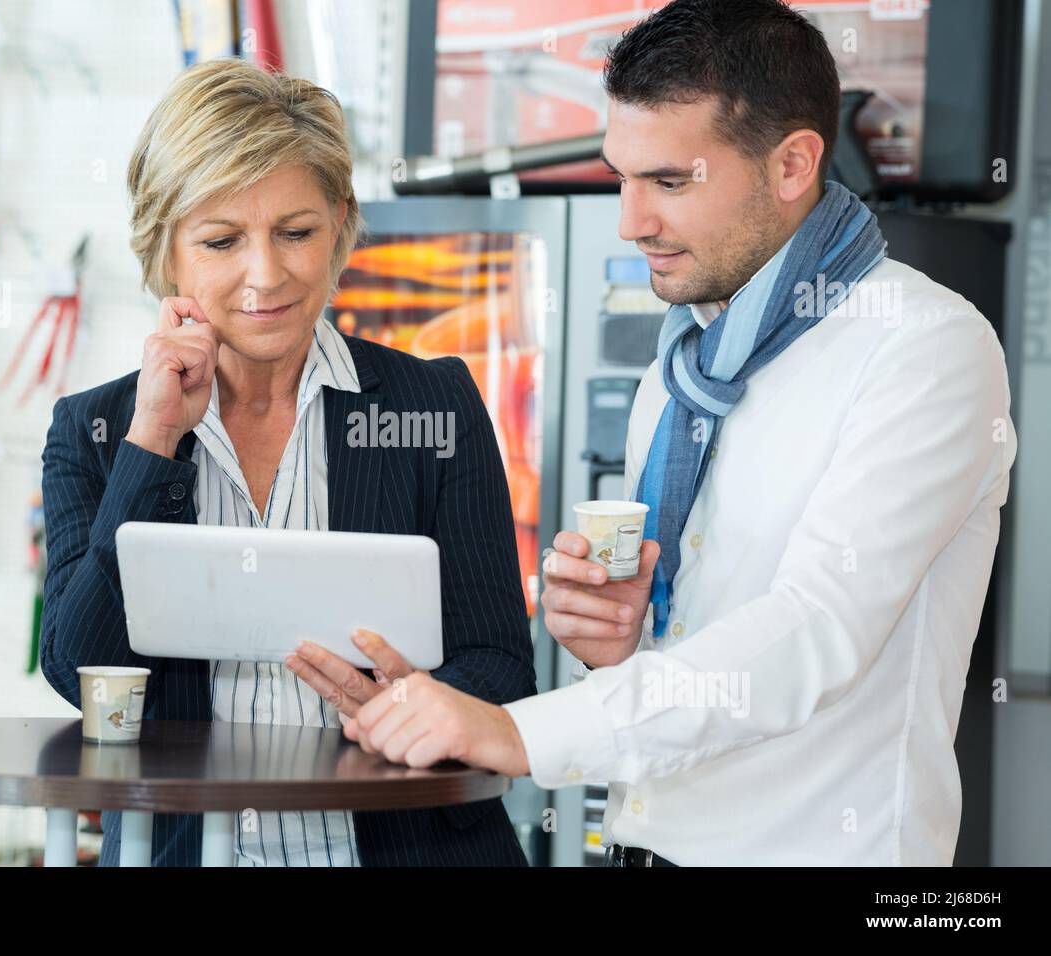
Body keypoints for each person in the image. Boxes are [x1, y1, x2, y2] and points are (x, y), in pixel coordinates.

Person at [328, 0, 1018, 867]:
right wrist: (622, 640)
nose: (630, 221)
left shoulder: (925, 348)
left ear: (795, 163)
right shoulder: (683, 364)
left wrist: (513, 731)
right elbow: (687, 661)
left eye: (669, 181)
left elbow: (812, 630)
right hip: (639, 846)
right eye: (621, 176)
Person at [39, 58, 535, 866]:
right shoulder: (97, 429)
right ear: (166, 252)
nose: (265, 275)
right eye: (221, 240)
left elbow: (505, 670)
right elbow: (80, 670)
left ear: (340, 222)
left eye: (296, 232)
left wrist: (412, 699)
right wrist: (154, 440)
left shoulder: (432, 405)